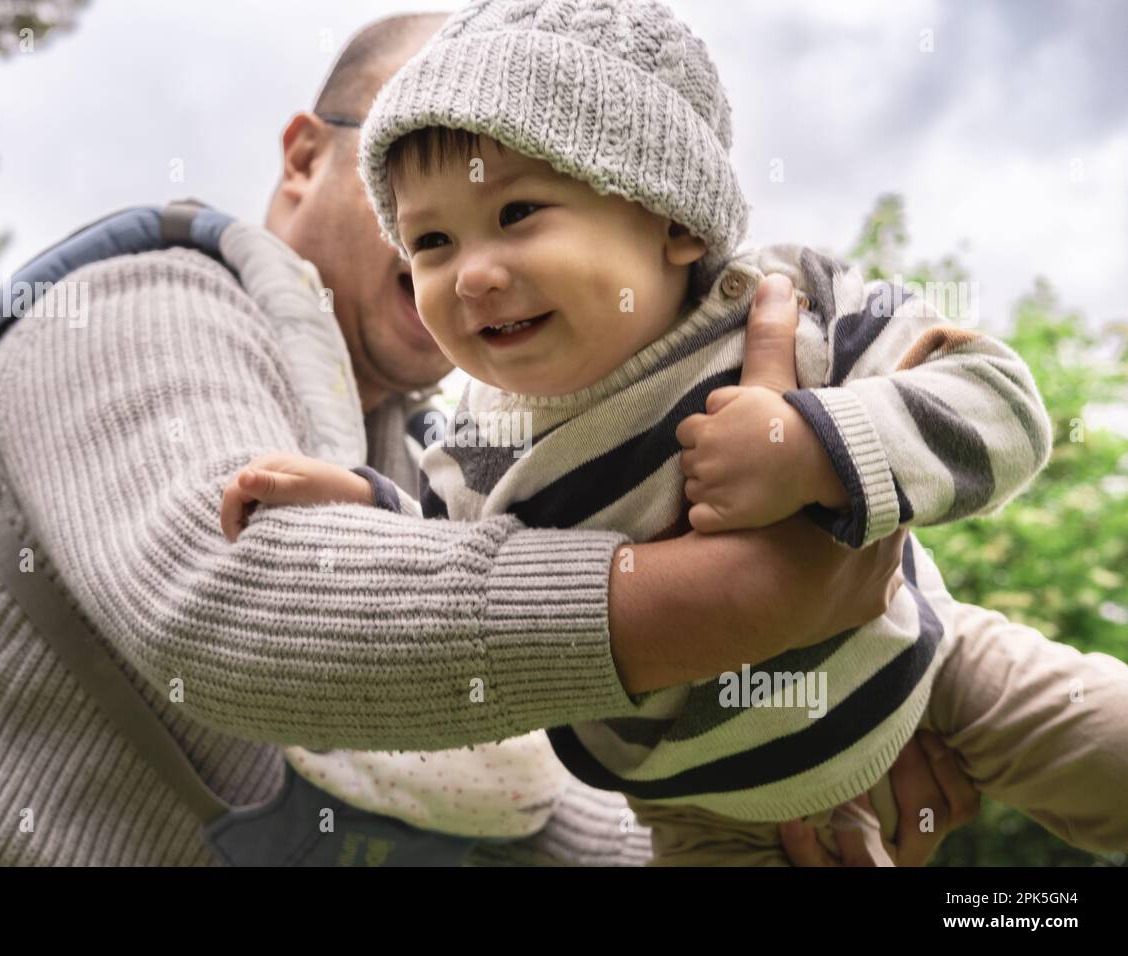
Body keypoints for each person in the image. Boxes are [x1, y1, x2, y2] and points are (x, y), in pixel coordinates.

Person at [0, 12, 968, 868]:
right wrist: (739, 599)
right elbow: (234, 605)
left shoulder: (445, 469)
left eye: (535, 199)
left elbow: (518, 774)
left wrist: (795, 741)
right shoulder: (141, 298)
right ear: (300, 159)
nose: (482, 264)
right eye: (422, 205)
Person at [222, 1, 1128, 865]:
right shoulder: (475, 448)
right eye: (430, 244)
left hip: (928, 672)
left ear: (674, 219)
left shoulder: (783, 305)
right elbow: (454, 578)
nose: (472, 276)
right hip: (703, 817)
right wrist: (361, 504)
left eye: (516, 214)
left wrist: (814, 443)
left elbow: (998, 401)